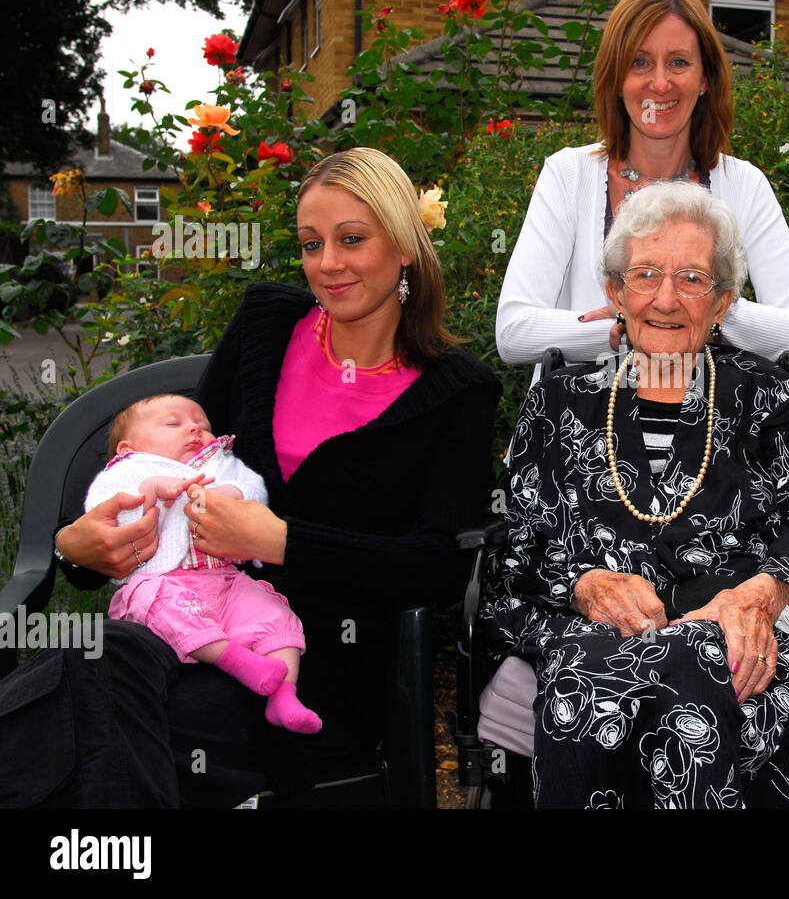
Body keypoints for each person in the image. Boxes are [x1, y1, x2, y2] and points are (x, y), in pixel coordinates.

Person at [3, 146, 501, 807]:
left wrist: (279, 542)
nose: (327, 264)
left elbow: (440, 565)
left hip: (312, 664)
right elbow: (170, 468)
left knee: (85, 711)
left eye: (352, 239)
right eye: (310, 243)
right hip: (176, 623)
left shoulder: (455, 393)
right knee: (90, 661)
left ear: (406, 245)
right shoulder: (268, 325)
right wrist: (78, 550)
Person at [483, 183, 789, 808]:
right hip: (594, 631)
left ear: (723, 300)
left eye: (692, 278)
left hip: (744, 633)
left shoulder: (764, 394)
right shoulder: (561, 398)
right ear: (616, 293)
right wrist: (583, 584)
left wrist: (763, 593)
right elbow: (517, 543)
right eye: (645, 275)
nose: (666, 299)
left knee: (699, 658)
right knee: (629, 667)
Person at [495, 0, 789, 382]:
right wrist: (620, 327)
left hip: (708, 437)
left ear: (705, 78)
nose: (660, 83)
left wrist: (712, 312)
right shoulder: (569, 175)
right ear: (616, 78)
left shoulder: (745, 185)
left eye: (679, 63)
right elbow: (513, 332)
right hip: (578, 434)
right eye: (639, 62)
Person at [89, 393, 319, 734]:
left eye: (203, 424)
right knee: (166, 607)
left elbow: (254, 489)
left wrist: (236, 494)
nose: (194, 429)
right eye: (173, 423)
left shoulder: (221, 462)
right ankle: (241, 663)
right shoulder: (126, 470)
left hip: (224, 578)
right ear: (127, 447)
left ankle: (284, 696)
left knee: (273, 614)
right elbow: (105, 514)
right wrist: (150, 489)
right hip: (163, 581)